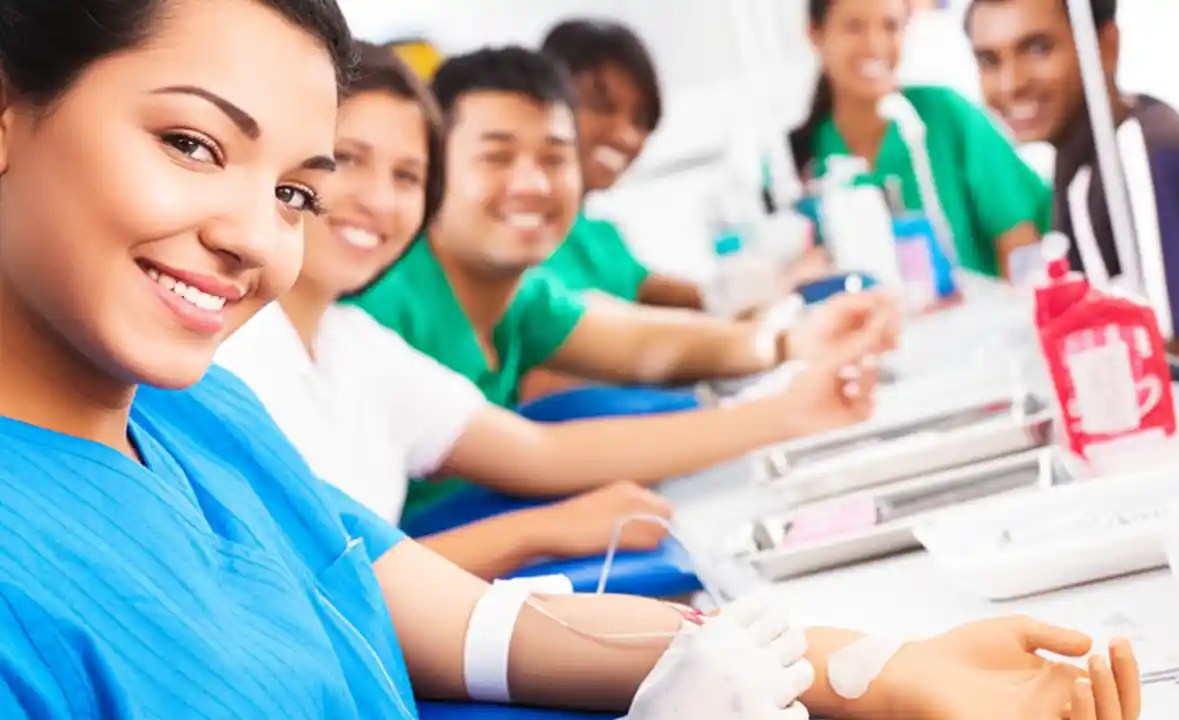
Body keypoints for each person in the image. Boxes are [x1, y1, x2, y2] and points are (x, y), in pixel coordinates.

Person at [0, 0, 1143, 717]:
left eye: (296, 190)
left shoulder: (204, 420)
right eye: (192, 144)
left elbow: (483, 629)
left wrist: (879, 673)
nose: (256, 237)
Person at [215, 43, 882, 579]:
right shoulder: (231, 348)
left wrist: (795, 406)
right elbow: (314, 582)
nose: (380, 200)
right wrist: (541, 531)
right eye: (347, 161)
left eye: (407, 176)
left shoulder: (350, 340)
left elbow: (544, 449)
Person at [350, 47, 895, 413]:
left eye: (554, 157)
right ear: (434, 168)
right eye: (496, 157)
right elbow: (533, 454)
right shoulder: (386, 308)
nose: (532, 184)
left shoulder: (523, 297)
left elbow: (649, 344)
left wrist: (793, 338)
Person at [966, 0, 1179, 372]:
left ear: (1107, 45)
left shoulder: (1162, 167)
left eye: (1038, 48)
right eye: (989, 61)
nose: (1011, 84)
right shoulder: (1077, 159)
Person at [792, 0, 1052, 278]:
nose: (875, 44)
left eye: (890, 26)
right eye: (854, 27)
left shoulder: (947, 117)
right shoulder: (803, 159)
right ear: (816, 34)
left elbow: (1021, 244)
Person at [536, 19, 707, 310]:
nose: (626, 136)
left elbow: (675, 294)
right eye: (601, 106)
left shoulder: (602, 237)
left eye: (640, 121)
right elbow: (581, 325)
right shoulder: (521, 231)